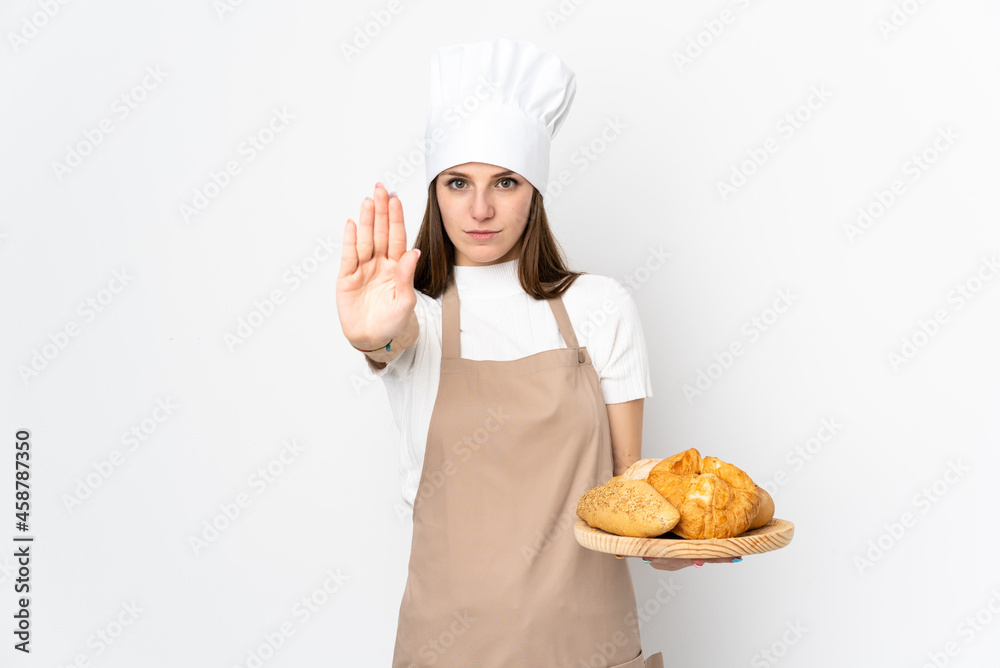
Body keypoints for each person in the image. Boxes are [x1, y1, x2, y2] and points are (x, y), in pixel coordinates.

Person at [337, 38, 731, 667]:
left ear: (535, 192)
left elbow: (630, 490)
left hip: (586, 644)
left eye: (506, 182)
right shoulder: (421, 317)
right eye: (459, 182)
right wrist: (371, 336)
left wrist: (675, 541)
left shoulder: (600, 308)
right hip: (449, 647)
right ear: (436, 191)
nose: (481, 208)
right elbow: (391, 343)